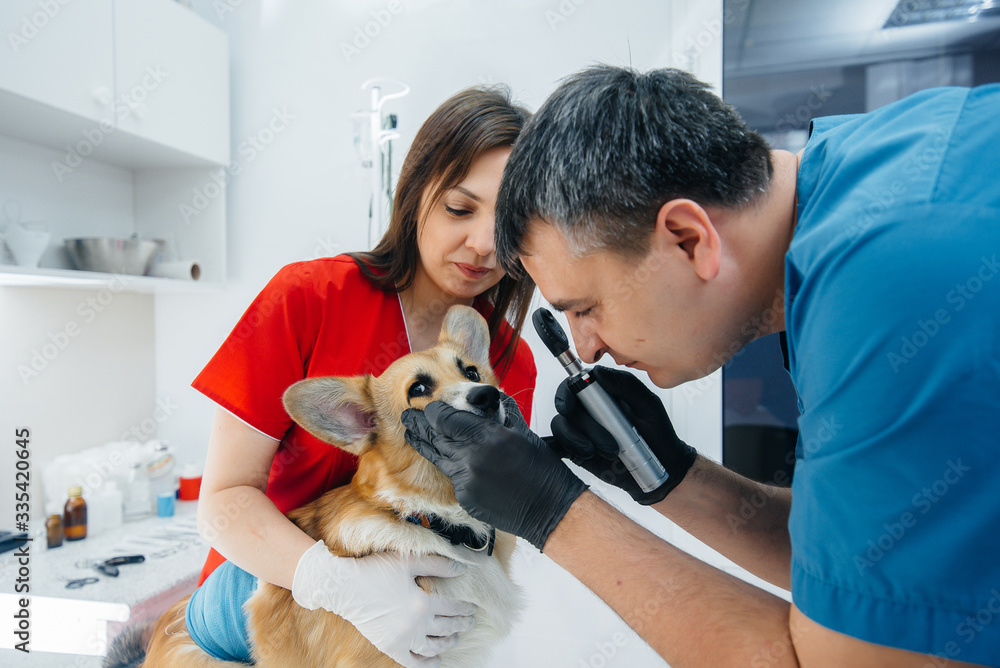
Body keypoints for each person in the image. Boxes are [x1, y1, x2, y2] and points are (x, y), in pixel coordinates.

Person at [402, 66, 999, 667]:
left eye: (585, 308)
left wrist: (552, 512)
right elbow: (866, 572)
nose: (586, 350)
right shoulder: (864, 178)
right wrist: (675, 478)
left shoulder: (894, 293)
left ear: (688, 238)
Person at [188, 86, 536, 667]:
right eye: (459, 208)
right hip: (261, 603)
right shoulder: (306, 299)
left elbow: (493, 518)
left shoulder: (505, 362)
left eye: (509, 226)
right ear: (416, 192)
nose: (482, 245)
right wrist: (330, 581)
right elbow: (221, 503)